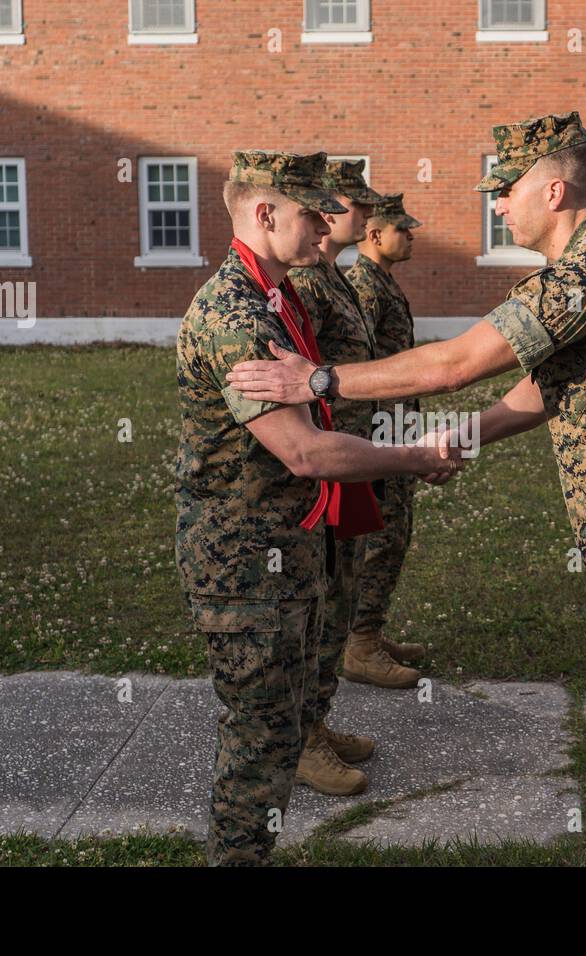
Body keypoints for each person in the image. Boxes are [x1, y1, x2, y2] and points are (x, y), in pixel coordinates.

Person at [226, 113, 586, 866]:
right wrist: (452, 441)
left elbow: (454, 363)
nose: (496, 205)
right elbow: (548, 390)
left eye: (505, 189)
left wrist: (316, 377)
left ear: (552, 190)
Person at [176, 148, 463, 865]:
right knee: (261, 743)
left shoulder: (281, 297)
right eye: (312, 210)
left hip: (288, 546)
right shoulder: (233, 314)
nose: (329, 220)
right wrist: (411, 459)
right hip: (244, 562)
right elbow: (302, 451)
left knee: (279, 727)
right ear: (265, 213)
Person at [288, 158, 416, 800]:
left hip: (358, 450)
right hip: (332, 459)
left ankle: (316, 722)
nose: (366, 216)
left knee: (339, 591)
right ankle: (302, 737)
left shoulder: (332, 280)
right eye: (355, 205)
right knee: (322, 597)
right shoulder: (309, 285)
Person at [343, 193, 427, 672]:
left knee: (396, 532)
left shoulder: (381, 282)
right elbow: (362, 370)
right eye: (403, 229)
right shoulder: (365, 287)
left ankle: (370, 629)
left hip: (397, 423)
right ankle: (361, 644)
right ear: (376, 235)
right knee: (382, 536)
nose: (411, 235)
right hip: (380, 428)